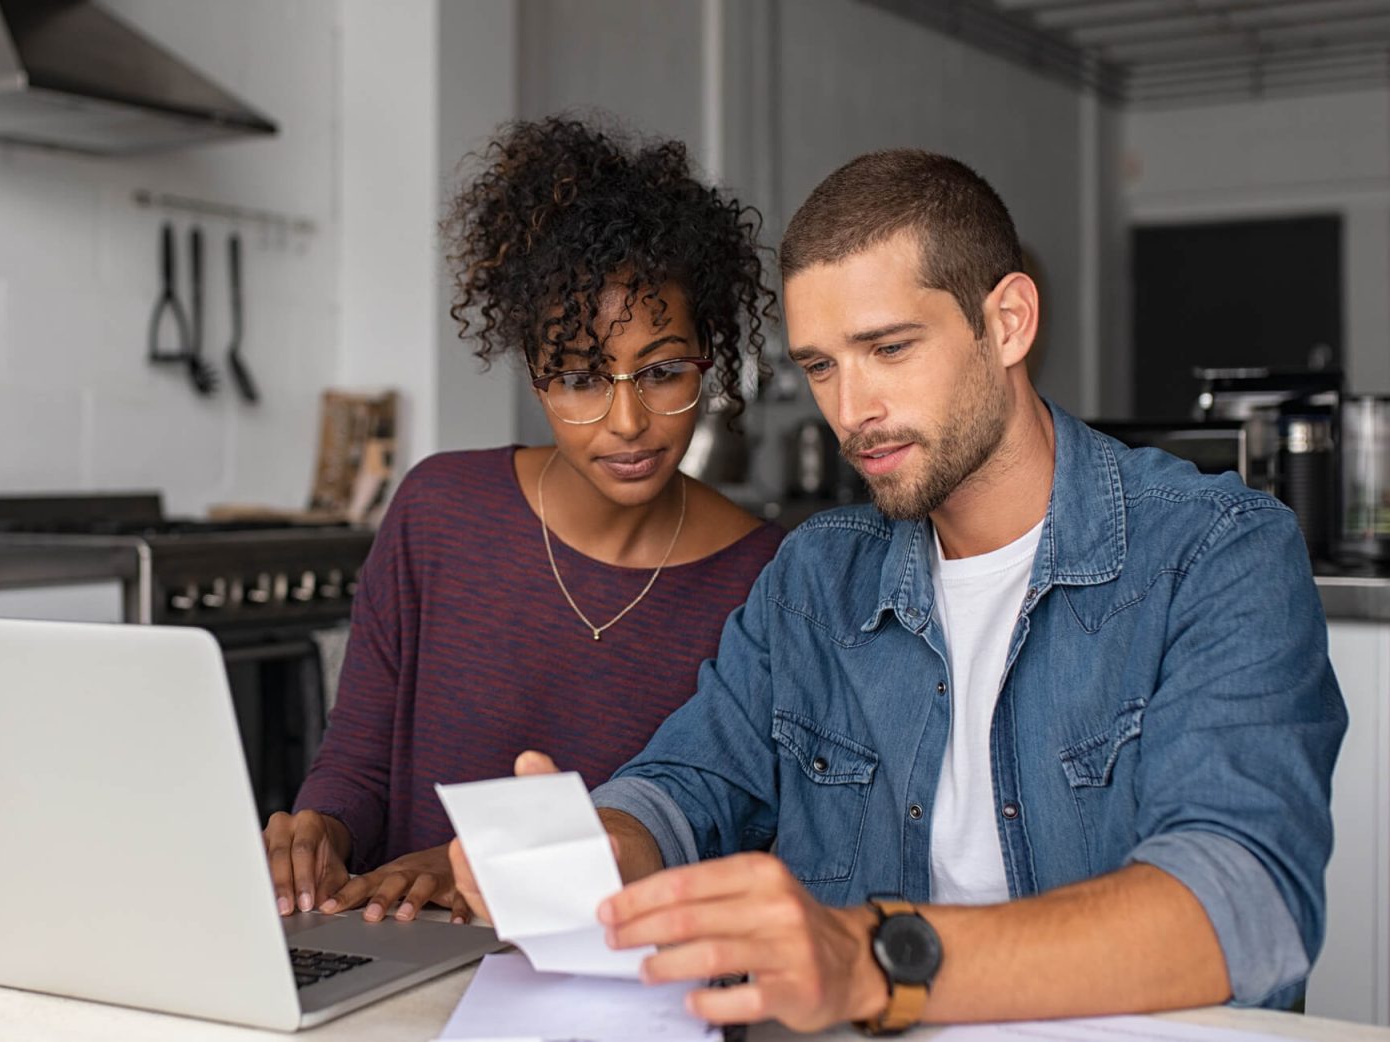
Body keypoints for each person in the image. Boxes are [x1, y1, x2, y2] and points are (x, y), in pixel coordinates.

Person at [450, 149, 1347, 1032]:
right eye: (822, 366)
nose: (852, 411)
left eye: (888, 348)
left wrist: (876, 961)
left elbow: (1246, 903)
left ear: (1008, 323)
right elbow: (691, 782)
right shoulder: (814, 578)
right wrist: (603, 846)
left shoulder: (1217, 552)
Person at [263, 117, 784, 926]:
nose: (627, 423)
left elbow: (730, 836)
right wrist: (319, 832)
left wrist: (480, 872)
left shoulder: (768, 579)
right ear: (535, 375)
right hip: (405, 951)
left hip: (617, 978)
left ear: (708, 361)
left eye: (662, 372)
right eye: (579, 378)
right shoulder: (438, 511)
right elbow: (359, 765)